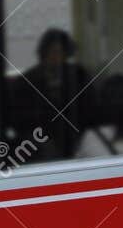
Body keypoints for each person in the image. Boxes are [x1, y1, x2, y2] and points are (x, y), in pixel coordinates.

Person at [17, 29, 92, 160]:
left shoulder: (79, 75)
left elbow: (88, 109)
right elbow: (22, 119)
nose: (55, 57)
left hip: (77, 140)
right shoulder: (27, 80)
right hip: (40, 144)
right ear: (43, 53)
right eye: (51, 52)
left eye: (60, 52)